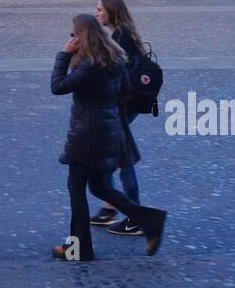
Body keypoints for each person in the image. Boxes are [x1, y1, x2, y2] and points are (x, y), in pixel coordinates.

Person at [51, 14, 167, 260]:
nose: (71, 39)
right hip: (108, 133)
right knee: (99, 186)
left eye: (74, 35)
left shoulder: (90, 66)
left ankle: (79, 248)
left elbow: (58, 86)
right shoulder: (115, 59)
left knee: (77, 189)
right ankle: (150, 219)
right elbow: (125, 92)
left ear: (83, 36)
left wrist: (63, 55)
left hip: (86, 136)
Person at [91, 0, 147, 236]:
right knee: (111, 155)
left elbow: (113, 71)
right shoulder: (118, 33)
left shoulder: (121, 35)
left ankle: (134, 217)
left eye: (99, 10)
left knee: (123, 161)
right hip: (123, 102)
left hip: (123, 104)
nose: (96, 13)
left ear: (111, 13)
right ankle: (110, 206)